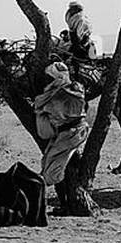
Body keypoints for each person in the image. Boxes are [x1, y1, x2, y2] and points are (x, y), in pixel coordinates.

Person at [32, 61, 89, 198]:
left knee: (52, 171)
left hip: (72, 133)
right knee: (48, 162)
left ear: (59, 78)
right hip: (67, 133)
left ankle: (68, 198)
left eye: (51, 78)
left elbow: (45, 108)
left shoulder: (64, 95)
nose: (48, 81)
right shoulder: (62, 91)